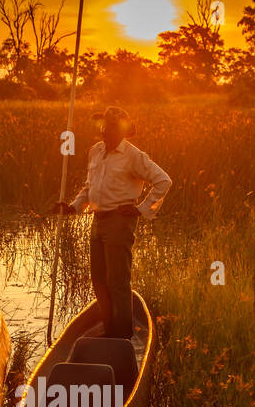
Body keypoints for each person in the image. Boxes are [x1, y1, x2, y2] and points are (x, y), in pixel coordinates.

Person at [52, 105, 172, 338]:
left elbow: (163, 181)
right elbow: (90, 187)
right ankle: (109, 330)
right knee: (98, 279)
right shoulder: (96, 151)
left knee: (117, 282)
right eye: (105, 126)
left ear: (123, 131)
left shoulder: (133, 156)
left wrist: (141, 209)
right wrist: (73, 207)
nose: (107, 131)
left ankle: (122, 336)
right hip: (97, 220)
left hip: (119, 221)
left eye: (113, 127)